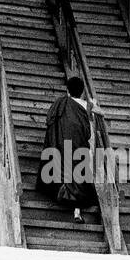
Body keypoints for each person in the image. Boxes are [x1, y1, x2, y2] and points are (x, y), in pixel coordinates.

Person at [37, 74, 99, 222]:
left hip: (61, 145)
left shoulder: (61, 103)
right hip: (80, 146)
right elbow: (101, 113)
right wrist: (93, 102)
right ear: (83, 91)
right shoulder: (86, 105)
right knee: (79, 175)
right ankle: (77, 212)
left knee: (64, 168)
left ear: (67, 91)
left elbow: (51, 121)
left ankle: (61, 192)